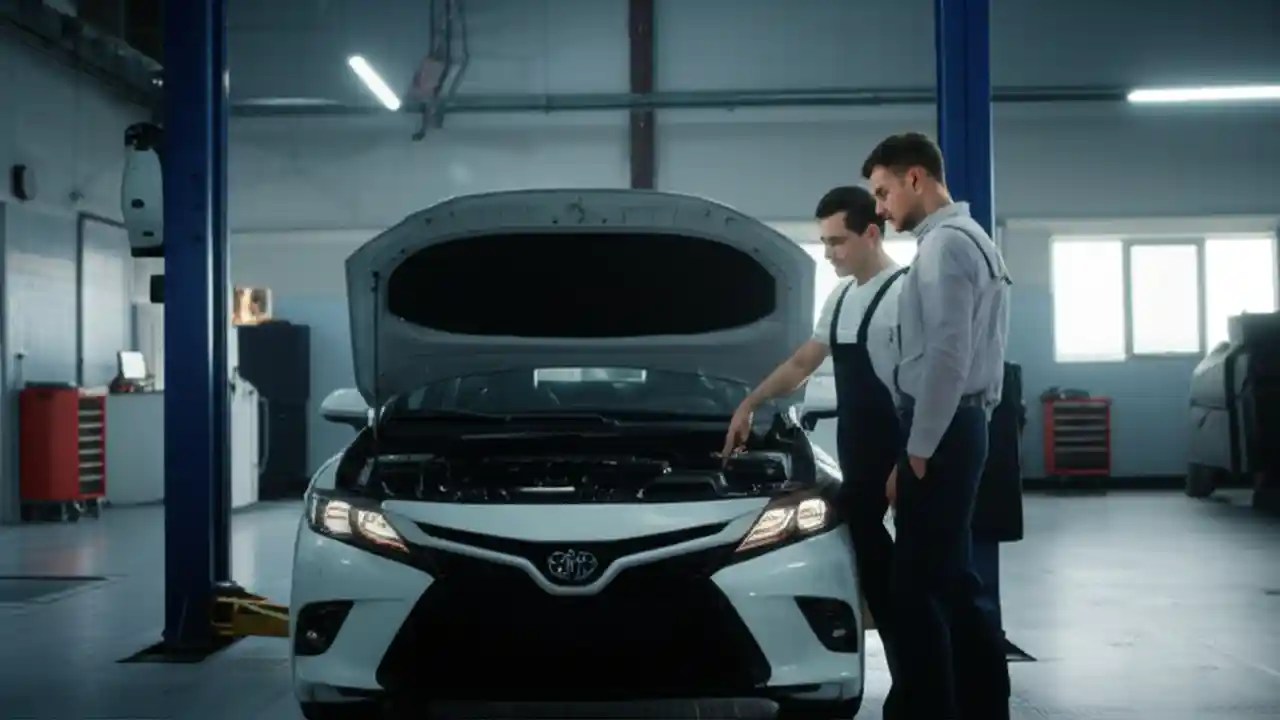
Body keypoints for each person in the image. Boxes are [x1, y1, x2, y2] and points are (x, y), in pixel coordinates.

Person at [721, 185, 908, 719]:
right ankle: (906, 684)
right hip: (860, 459)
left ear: (872, 233)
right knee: (874, 574)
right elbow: (804, 361)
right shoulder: (844, 296)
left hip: (900, 461)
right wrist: (750, 402)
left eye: (837, 242)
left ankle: (922, 693)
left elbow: (924, 386)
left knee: (913, 587)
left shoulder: (905, 293)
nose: (828, 254)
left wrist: (906, 465)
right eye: (823, 243)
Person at [861, 131, 1012, 719]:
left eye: (882, 191)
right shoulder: (967, 240)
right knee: (950, 580)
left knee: (919, 586)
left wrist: (920, 449)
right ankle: (979, 706)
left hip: (944, 429)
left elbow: (950, 355)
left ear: (915, 178)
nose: (879, 206)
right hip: (956, 425)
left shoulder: (946, 246)